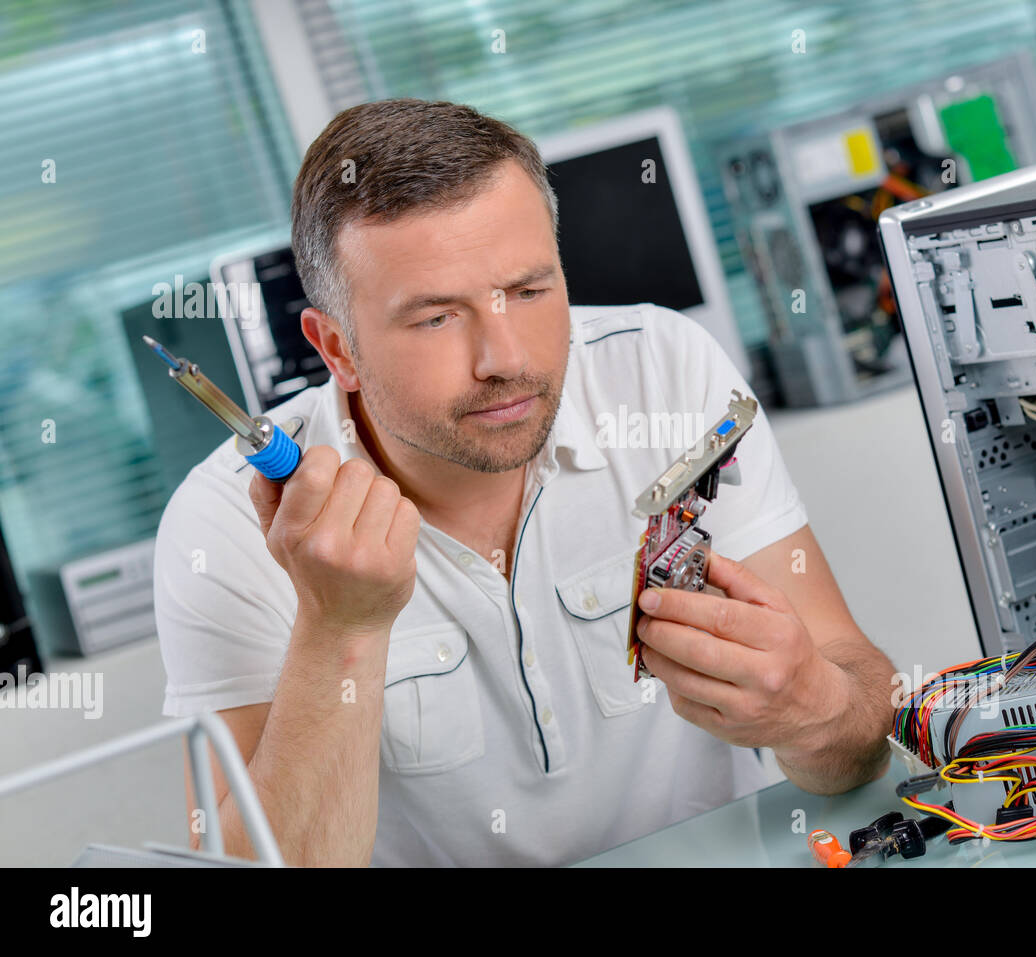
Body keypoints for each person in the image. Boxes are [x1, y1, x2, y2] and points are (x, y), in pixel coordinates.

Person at [154, 98, 897, 866]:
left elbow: (859, 745)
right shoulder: (226, 526)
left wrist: (815, 708)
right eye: (437, 318)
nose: (504, 357)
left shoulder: (665, 369)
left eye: (531, 291)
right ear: (336, 346)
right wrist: (340, 625)